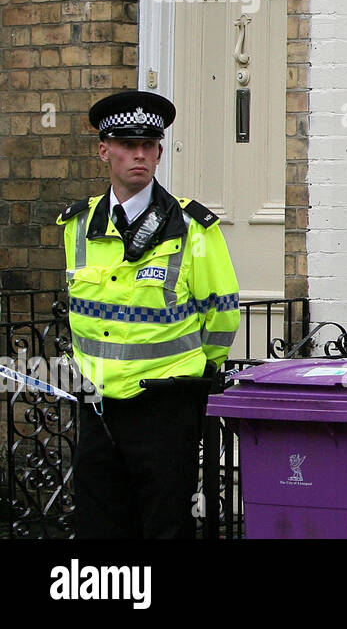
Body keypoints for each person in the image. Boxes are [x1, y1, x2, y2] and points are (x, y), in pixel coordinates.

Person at [59, 90, 240, 539]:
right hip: (97, 406)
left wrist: (201, 373)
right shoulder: (77, 226)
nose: (139, 154)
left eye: (149, 145)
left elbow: (221, 315)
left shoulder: (193, 228)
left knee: (165, 524)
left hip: (165, 404)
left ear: (160, 152)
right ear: (105, 150)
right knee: (99, 524)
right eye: (126, 144)